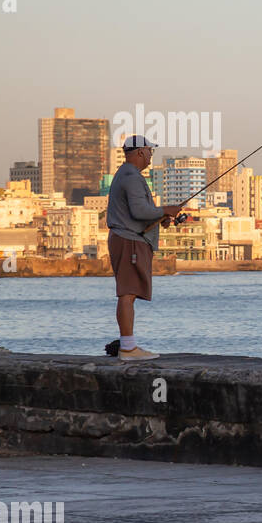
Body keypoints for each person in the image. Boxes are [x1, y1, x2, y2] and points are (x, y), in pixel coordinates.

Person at [105, 135, 185, 360]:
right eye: (150, 151)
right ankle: (128, 348)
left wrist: (162, 217)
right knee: (128, 293)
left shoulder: (127, 175)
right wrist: (165, 210)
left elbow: (137, 214)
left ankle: (127, 345)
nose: (151, 156)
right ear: (140, 152)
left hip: (129, 238)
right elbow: (140, 212)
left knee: (128, 293)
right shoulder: (131, 176)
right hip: (129, 241)